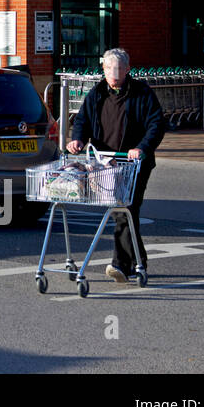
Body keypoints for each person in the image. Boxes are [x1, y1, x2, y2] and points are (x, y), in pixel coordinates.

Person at [67, 48, 166, 284]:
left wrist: (141, 147)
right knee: (125, 213)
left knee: (124, 210)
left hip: (134, 163)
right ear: (103, 70)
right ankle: (138, 260)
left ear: (128, 70)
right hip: (105, 163)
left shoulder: (141, 93)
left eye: (120, 68)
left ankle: (120, 265)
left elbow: (156, 124)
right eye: (111, 68)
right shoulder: (97, 93)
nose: (115, 73)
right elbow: (83, 120)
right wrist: (77, 139)